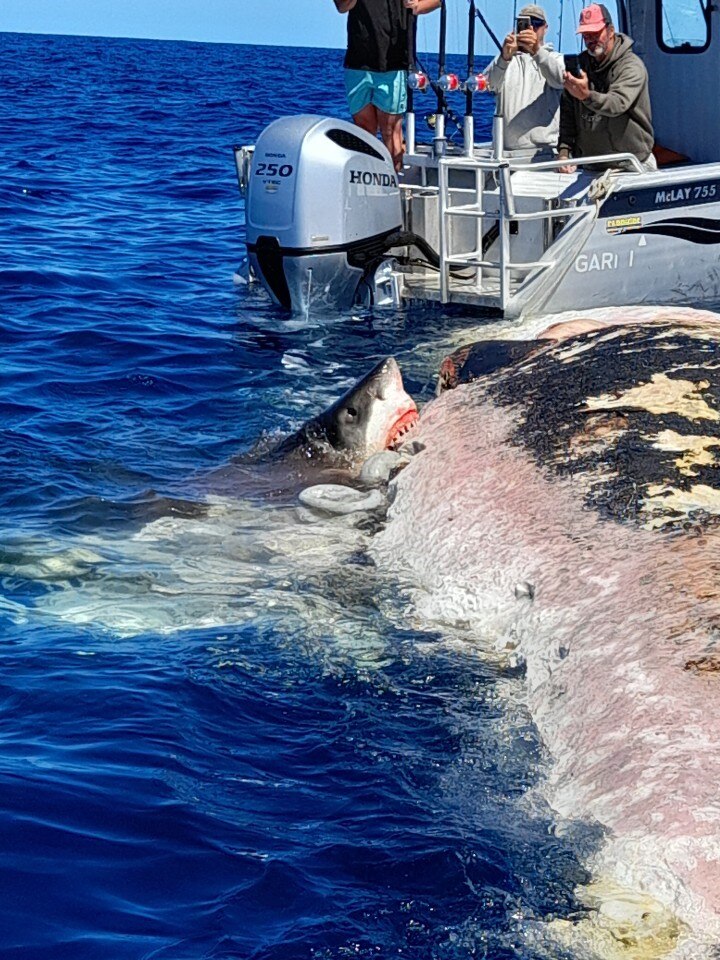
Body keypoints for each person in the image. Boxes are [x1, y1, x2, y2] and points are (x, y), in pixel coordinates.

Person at [334, 0, 441, 172]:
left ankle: (394, 184)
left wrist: (416, 5)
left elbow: (436, 1)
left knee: (390, 131)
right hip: (357, 62)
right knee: (363, 131)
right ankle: (369, 185)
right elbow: (342, 6)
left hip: (393, 63)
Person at [558, 3, 656, 172]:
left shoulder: (631, 66)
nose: (590, 40)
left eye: (596, 33)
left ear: (611, 31)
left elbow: (617, 104)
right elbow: (568, 116)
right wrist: (564, 153)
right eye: (586, 35)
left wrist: (586, 96)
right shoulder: (581, 66)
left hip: (632, 165)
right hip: (590, 168)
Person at [482, 4, 565, 158]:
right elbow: (488, 85)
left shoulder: (555, 59)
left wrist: (537, 52)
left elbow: (559, 79)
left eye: (536, 23)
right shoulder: (505, 59)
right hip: (504, 153)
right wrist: (504, 58)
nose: (531, 28)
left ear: (545, 28)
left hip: (542, 154)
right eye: (526, 23)